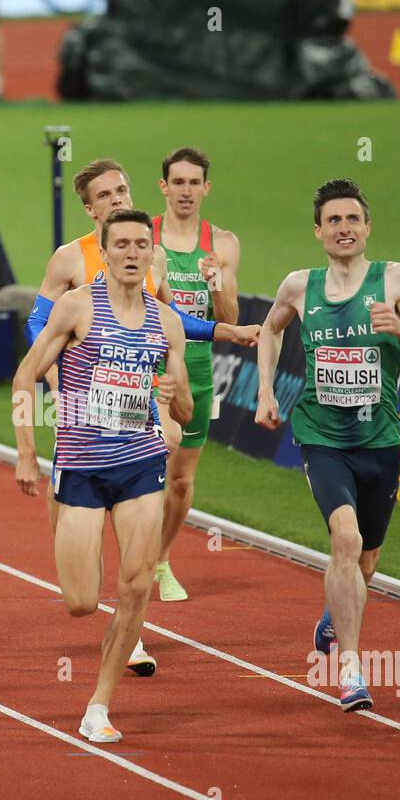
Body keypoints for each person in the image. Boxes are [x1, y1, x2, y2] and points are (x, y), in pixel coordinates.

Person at [26, 157, 260, 676]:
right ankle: (81, 546)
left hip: (139, 398)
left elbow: (173, 321)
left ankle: (132, 621)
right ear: (89, 208)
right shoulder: (71, 259)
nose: (118, 200)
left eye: (122, 190)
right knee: (81, 576)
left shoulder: (145, 258)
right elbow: (37, 324)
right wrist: (53, 373)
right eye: (106, 196)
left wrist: (226, 332)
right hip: (81, 400)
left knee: (161, 461)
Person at [255, 178, 400, 712]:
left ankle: (332, 615)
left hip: (379, 439)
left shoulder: (396, 280)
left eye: (352, 219)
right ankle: (352, 671)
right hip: (321, 436)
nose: (344, 228)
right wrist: (266, 392)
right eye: (333, 221)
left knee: (365, 561)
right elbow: (270, 331)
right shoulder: (299, 286)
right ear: (318, 232)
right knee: (344, 537)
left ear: (367, 227)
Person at [13, 209, 192, 743]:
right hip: (82, 468)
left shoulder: (168, 322)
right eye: (123, 245)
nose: (133, 254)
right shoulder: (77, 307)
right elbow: (26, 374)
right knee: (81, 602)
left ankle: (98, 706)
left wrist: (171, 397)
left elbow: (183, 407)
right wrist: (26, 452)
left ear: (152, 254)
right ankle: (101, 622)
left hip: (141, 464)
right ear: (106, 252)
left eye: (142, 245)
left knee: (135, 587)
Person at [151, 147, 241, 602]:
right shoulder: (141, 236)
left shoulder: (221, 243)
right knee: (149, 465)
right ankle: (137, 554)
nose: (186, 191)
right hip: (149, 363)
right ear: (163, 186)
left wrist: (215, 282)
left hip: (198, 367)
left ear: (206, 188)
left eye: (194, 183)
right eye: (178, 182)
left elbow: (229, 316)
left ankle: (161, 560)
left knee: (182, 478)